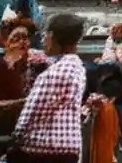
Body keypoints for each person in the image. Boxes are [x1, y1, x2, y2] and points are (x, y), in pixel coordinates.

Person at [7, 12, 88, 163]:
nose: (43, 40)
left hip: (45, 149)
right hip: (68, 146)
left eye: (46, 34)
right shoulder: (77, 67)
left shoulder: (55, 72)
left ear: (52, 35)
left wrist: (15, 137)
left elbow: (31, 112)